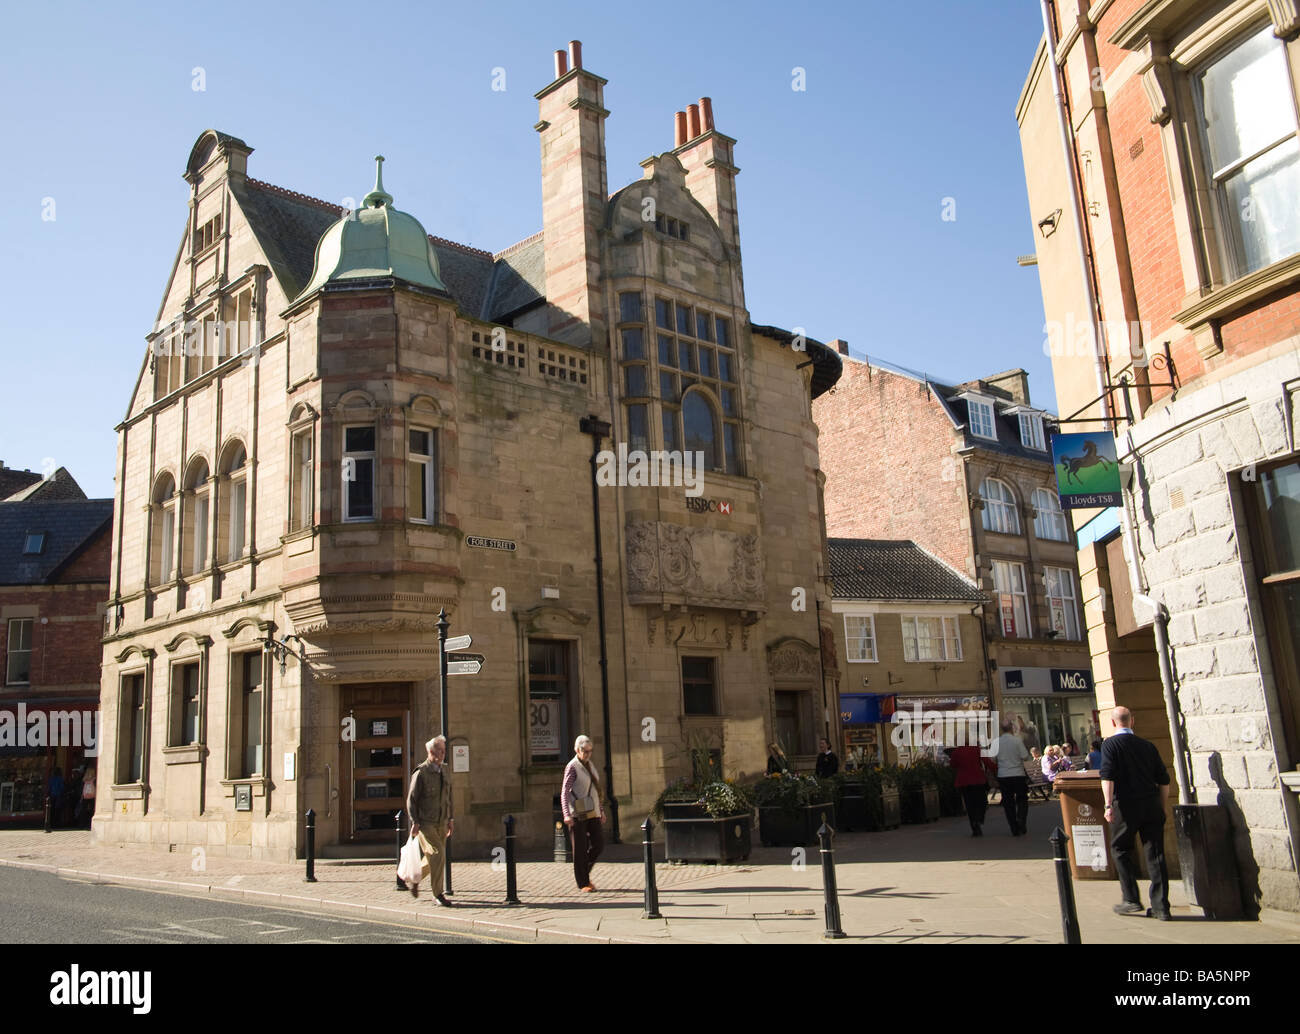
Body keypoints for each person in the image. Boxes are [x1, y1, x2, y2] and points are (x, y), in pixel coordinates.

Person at [1100, 706, 1172, 920]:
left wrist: (1107, 805)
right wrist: (1160, 805)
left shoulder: (1110, 745)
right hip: (1150, 804)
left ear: (1113, 723)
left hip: (1125, 805)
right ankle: (1161, 907)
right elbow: (1164, 780)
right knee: (1156, 854)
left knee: (1120, 849)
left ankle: (1131, 899)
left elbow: (1107, 776)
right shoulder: (1147, 746)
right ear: (1132, 721)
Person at [406, 735, 454, 906]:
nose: (443, 754)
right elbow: (412, 799)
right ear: (431, 752)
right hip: (426, 822)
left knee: (432, 857)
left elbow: (448, 796)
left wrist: (450, 818)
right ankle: (438, 894)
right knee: (438, 854)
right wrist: (415, 822)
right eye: (440, 750)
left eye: (444, 750)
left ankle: (414, 879)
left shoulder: (445, 770)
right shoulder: (421, 772)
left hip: (441, 820)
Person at [562, 734, 606, 892]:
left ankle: (583, 872)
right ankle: (583, 882)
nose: (587, 753)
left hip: (592, 811)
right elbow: (565, 792)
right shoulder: (572, 767)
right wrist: (566, 814)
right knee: (580, 848)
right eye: (584, 751)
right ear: (577, 750)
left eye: (590, 751)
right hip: (577, 813)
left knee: (599, 844)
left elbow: (595, 789)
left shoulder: (590, 765)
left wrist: (601, 810)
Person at [947, 744, 995, 836]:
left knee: (970, 804)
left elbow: (952, 765)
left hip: (964, 781)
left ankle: (975, 827)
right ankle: (979, 819)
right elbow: (986, 761)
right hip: (977, 779)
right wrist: (995, 769)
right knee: (982, 801)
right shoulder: (976, 749)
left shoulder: (957, 752)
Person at [995, 718, 1031, 836]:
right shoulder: (1017, 741)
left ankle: (1013, 827)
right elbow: (1025, 756)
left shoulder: (997, 742)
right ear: (1011, 728)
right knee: (1022, 799)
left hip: (1003, 775)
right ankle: (1021, 820)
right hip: (1018, 774)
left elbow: (992, 758)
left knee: (1008, 802)